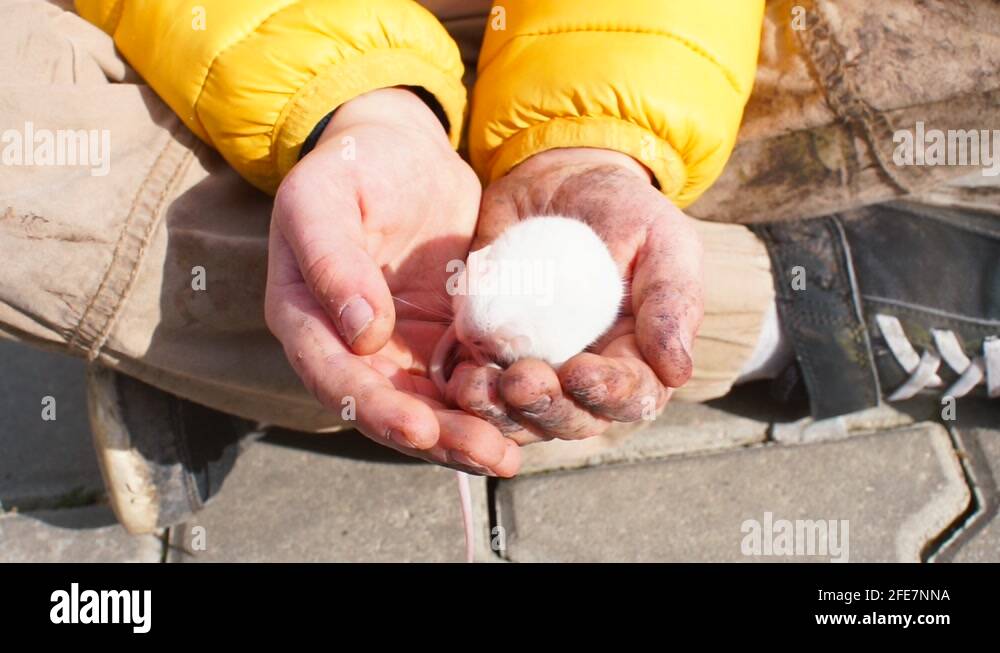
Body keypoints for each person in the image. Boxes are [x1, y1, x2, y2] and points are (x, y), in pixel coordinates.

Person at [1, 0, 996, 534]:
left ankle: (204, 327)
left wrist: (593, 137)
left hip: (678, 52)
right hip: (247, 57)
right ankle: (817, 292)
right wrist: (356, 100)